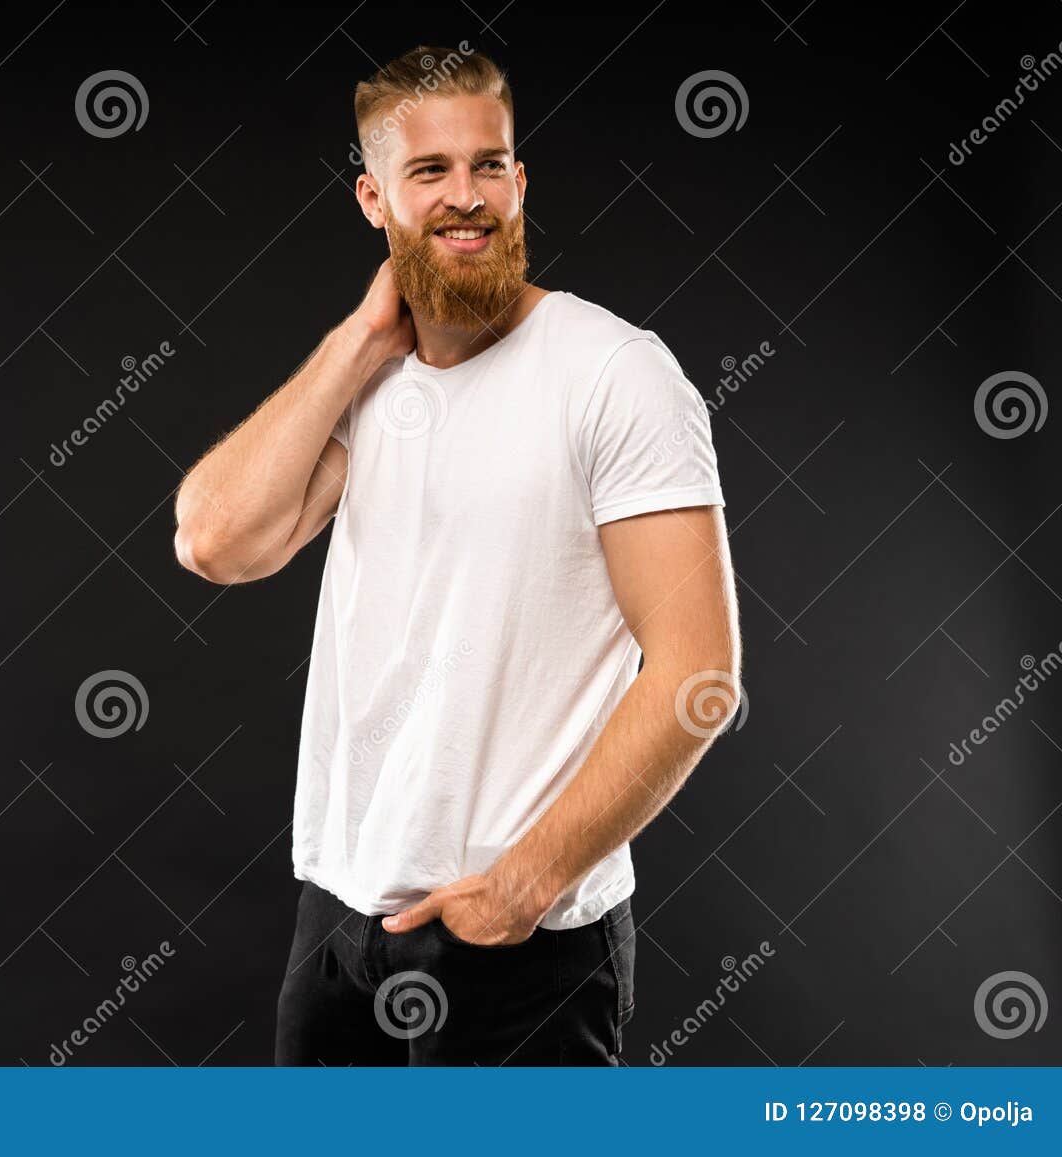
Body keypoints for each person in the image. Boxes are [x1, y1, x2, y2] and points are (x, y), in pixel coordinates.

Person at [173, 44, 742, 1065]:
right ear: (374, 198)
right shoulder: (371, 383)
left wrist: (526, 883)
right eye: (429, 172)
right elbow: (215, 540)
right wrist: (359, 338)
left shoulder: (613, 374)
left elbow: (697, 671)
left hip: (519, 941)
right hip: (339, 917)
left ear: (519, 183)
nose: (465, 196)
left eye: (488, 165)